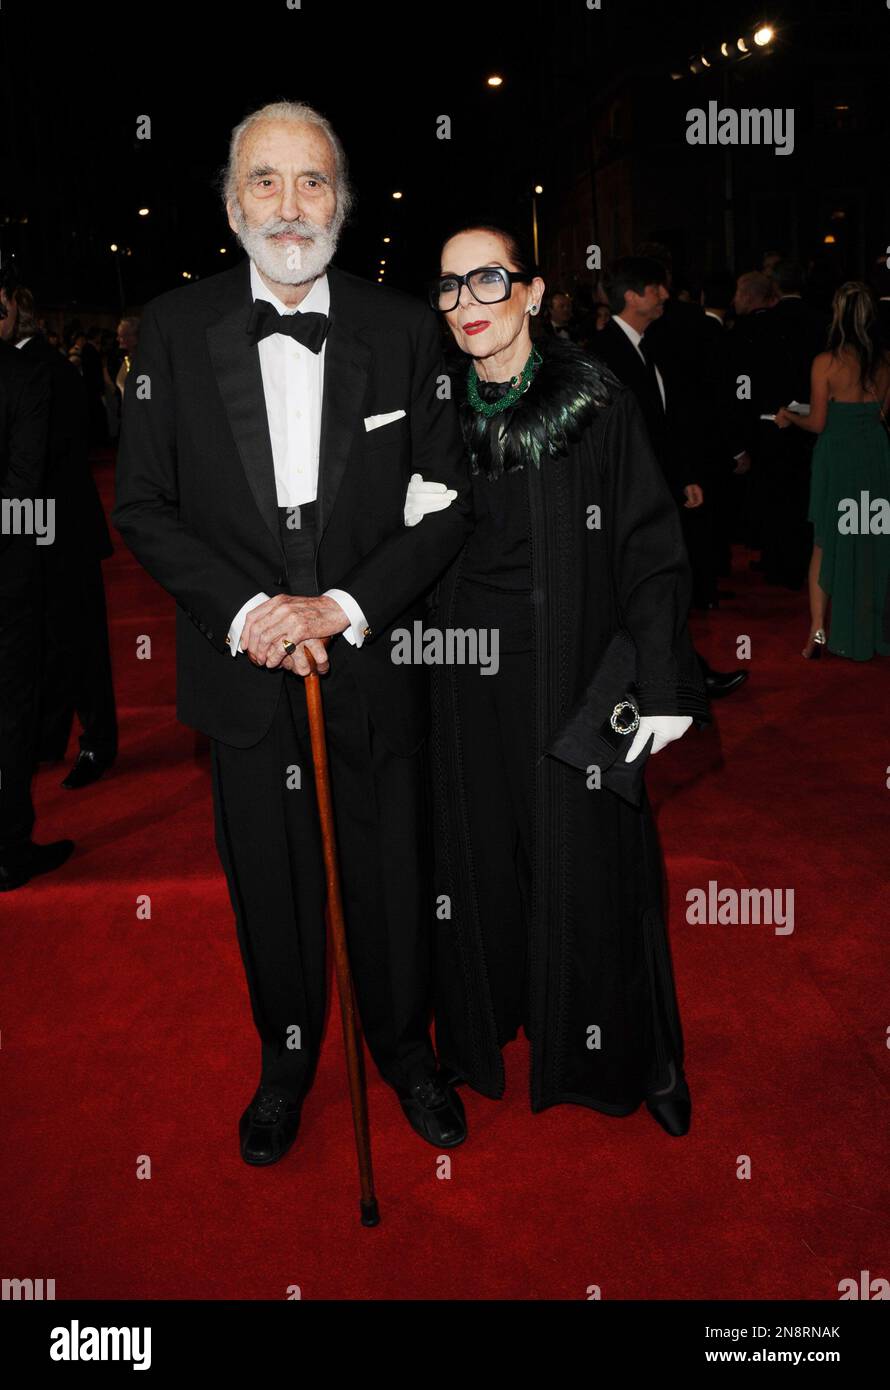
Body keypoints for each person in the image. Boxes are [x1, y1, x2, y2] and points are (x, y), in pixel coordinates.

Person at [114, 100, 472, 1166]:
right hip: (241, 668)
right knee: (269, 885)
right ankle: (285, 1062)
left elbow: (448, 500)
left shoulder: (404, 330)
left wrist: (346, 606)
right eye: (263, 181)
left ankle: (406, 1048)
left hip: (368, 659)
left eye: (310, 181)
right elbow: (142, 505)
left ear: (342, 204)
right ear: (232, 204)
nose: (287, 203)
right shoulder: (170, 332)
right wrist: (249, 615)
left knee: (393, 874)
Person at [426, 224, 711, 1137]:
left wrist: (661, 686)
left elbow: (651, 551)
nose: (467, 302)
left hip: (575, 680)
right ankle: (482, 1030)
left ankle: (638, 1054)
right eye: (449, 287)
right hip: (462, 688)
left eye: (487, 280)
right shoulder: (431, 414)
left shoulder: (596, 401)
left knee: (598, 870)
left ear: (533, 292)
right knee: (478, 865)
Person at [595, 256, 746, 697]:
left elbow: (662, 425)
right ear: (631, 296)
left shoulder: (648, 346)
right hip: (626, 500)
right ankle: (673, 677)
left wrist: (684, 477)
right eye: (655, 289)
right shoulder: (602, 353)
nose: (665, 295)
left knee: (663, 590)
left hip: (654, 491)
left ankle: (681, 675)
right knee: (652, 592)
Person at [3, 284, 118, 786]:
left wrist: (21, 537)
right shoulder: (32, 366)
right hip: (43, 527)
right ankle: (49, 738)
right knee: (46, 641)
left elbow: (38, 469)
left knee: (78, 642)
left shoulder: (42, 369)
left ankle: (97, 743)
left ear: (15, 318)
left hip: (59, 530)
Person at [0, 293, 75, 890]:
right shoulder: (23, 374)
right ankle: (8, 850)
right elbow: (24, 492)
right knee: (9, 711)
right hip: (8, 579)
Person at [775, 281, 890, 661]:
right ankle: (871, 630)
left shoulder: (825, 363)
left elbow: (820, 423)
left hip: (837, 460)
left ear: (837, 314)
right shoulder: (886, 364)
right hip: (874, 456)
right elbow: (881, 417)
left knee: (825, 543)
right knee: (870, 541)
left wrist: (790, 415)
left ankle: (817, 632)